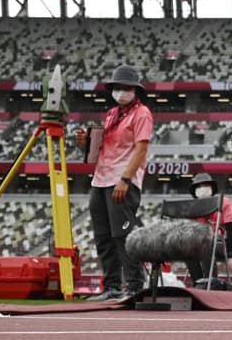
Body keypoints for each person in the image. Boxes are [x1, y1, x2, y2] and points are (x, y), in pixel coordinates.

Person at [75, 65, 154, 301]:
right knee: (104, 237)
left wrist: (125, 180)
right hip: (100, 180)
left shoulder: (142, 113)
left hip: (122, 180)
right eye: (117, 88)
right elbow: (98, 150)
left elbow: (141, 149)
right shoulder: (111, 114)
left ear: (135, 90)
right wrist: (84, 142)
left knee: (124, 236)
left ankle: (134, 287)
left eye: (126, 88)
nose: (121, 92)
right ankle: (112, 287)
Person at [184, 172, 232, 291]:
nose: (201, 189)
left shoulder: (223, 201)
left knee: (206, 243)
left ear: (212, 187)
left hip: (222, 242)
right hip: (201, 243)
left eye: (205, 185)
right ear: (194, 191)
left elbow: (229, 228)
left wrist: (231, 255)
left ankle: (212, 285)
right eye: (198, 186)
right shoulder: (193, 207)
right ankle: (199, 284)